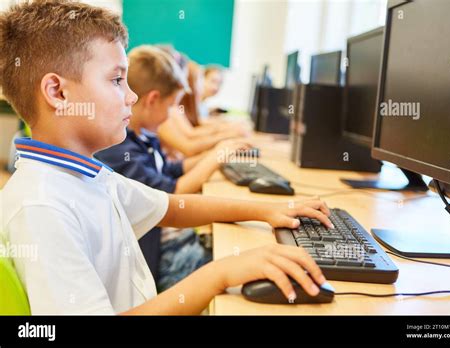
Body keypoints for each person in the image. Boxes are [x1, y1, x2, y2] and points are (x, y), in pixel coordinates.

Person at [0, 0, 332, 315]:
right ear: (58, 93)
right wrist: (219, 274)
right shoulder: (43, 208)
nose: (131, 96)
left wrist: (269, 210)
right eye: (117, 80)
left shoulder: (84, 174)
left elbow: (172, 207)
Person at [95, 45, 252, 291]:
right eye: (172, 106)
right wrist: (215, 157)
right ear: (153, 100)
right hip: (155, 261)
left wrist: (216, 153)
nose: (172, 116)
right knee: (238, 267)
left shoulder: (143, 137)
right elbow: (174, 193)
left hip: (167, 241)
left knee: (242, 247)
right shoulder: (120, 150)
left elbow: (170, 169)